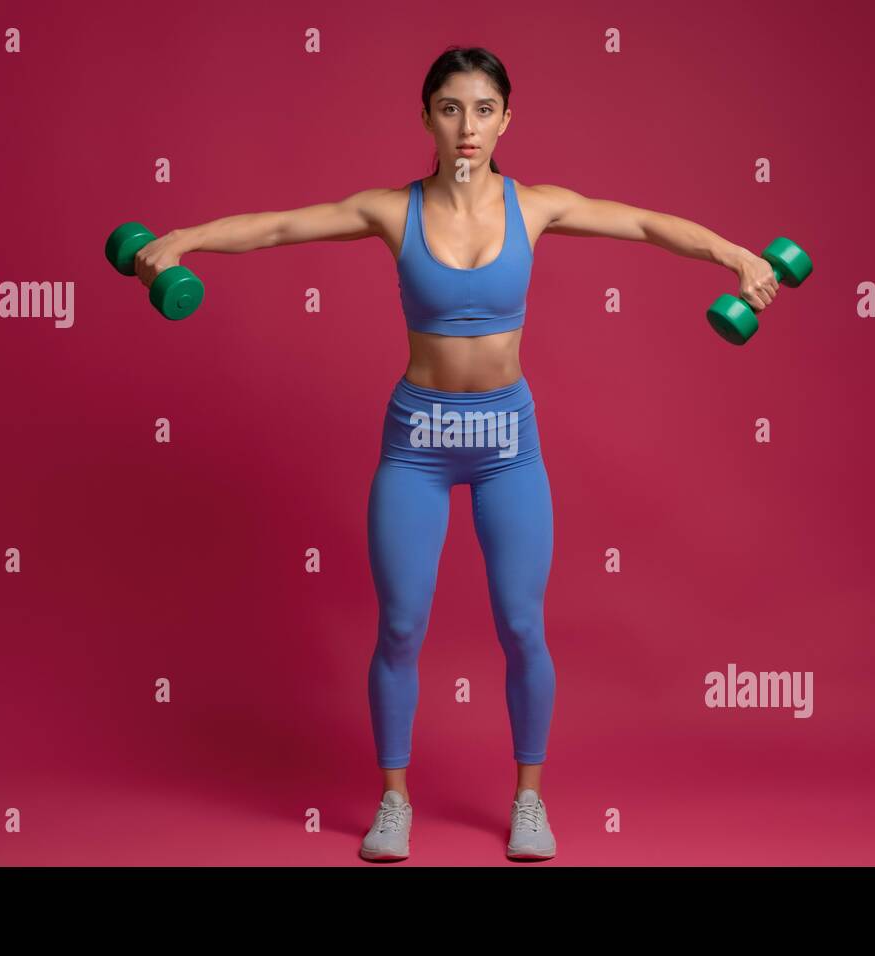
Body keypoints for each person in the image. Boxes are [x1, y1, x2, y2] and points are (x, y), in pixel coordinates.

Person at [132, 46, 780, 863]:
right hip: (420, 442)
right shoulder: (390, 210)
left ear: (506, 119)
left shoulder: (536, 207)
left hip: (508, 442)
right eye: (449, 108)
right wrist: (183, 238)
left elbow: (647, 222)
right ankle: (394, 801)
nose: (466, 126)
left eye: (482, 109)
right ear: (427, 118)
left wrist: (738, 255)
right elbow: (277, 227)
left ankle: (529, 803)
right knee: (401, 626)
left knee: (520, 625)